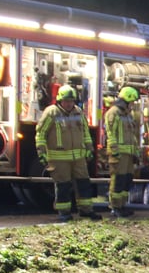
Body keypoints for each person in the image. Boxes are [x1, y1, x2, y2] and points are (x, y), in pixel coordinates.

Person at [35, 86, 101, 222]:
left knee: (84, 183)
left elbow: (85, 133)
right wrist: (41, 153)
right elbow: (41, 134)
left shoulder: (78, 113)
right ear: (60, 100)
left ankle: (86, 211)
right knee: (63, 186)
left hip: (78, 158)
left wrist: (89, 149)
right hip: (59, 158)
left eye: (71, 101)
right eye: (66, 101)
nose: (69, 103)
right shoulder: (51, 113)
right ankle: (64, 212)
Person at [104, 86, 142, 217]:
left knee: (126, 180)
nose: (133, 104)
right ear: (126, 100)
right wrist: (114, 151)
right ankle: (115, 207)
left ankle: (122, 205)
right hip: (119, 154)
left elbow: (133, 136)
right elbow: (110, 133)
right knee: (118, 180)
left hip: (129, 154)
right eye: (132, 101)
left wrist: (136, 153)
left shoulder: (128, 115)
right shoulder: (113, 113)